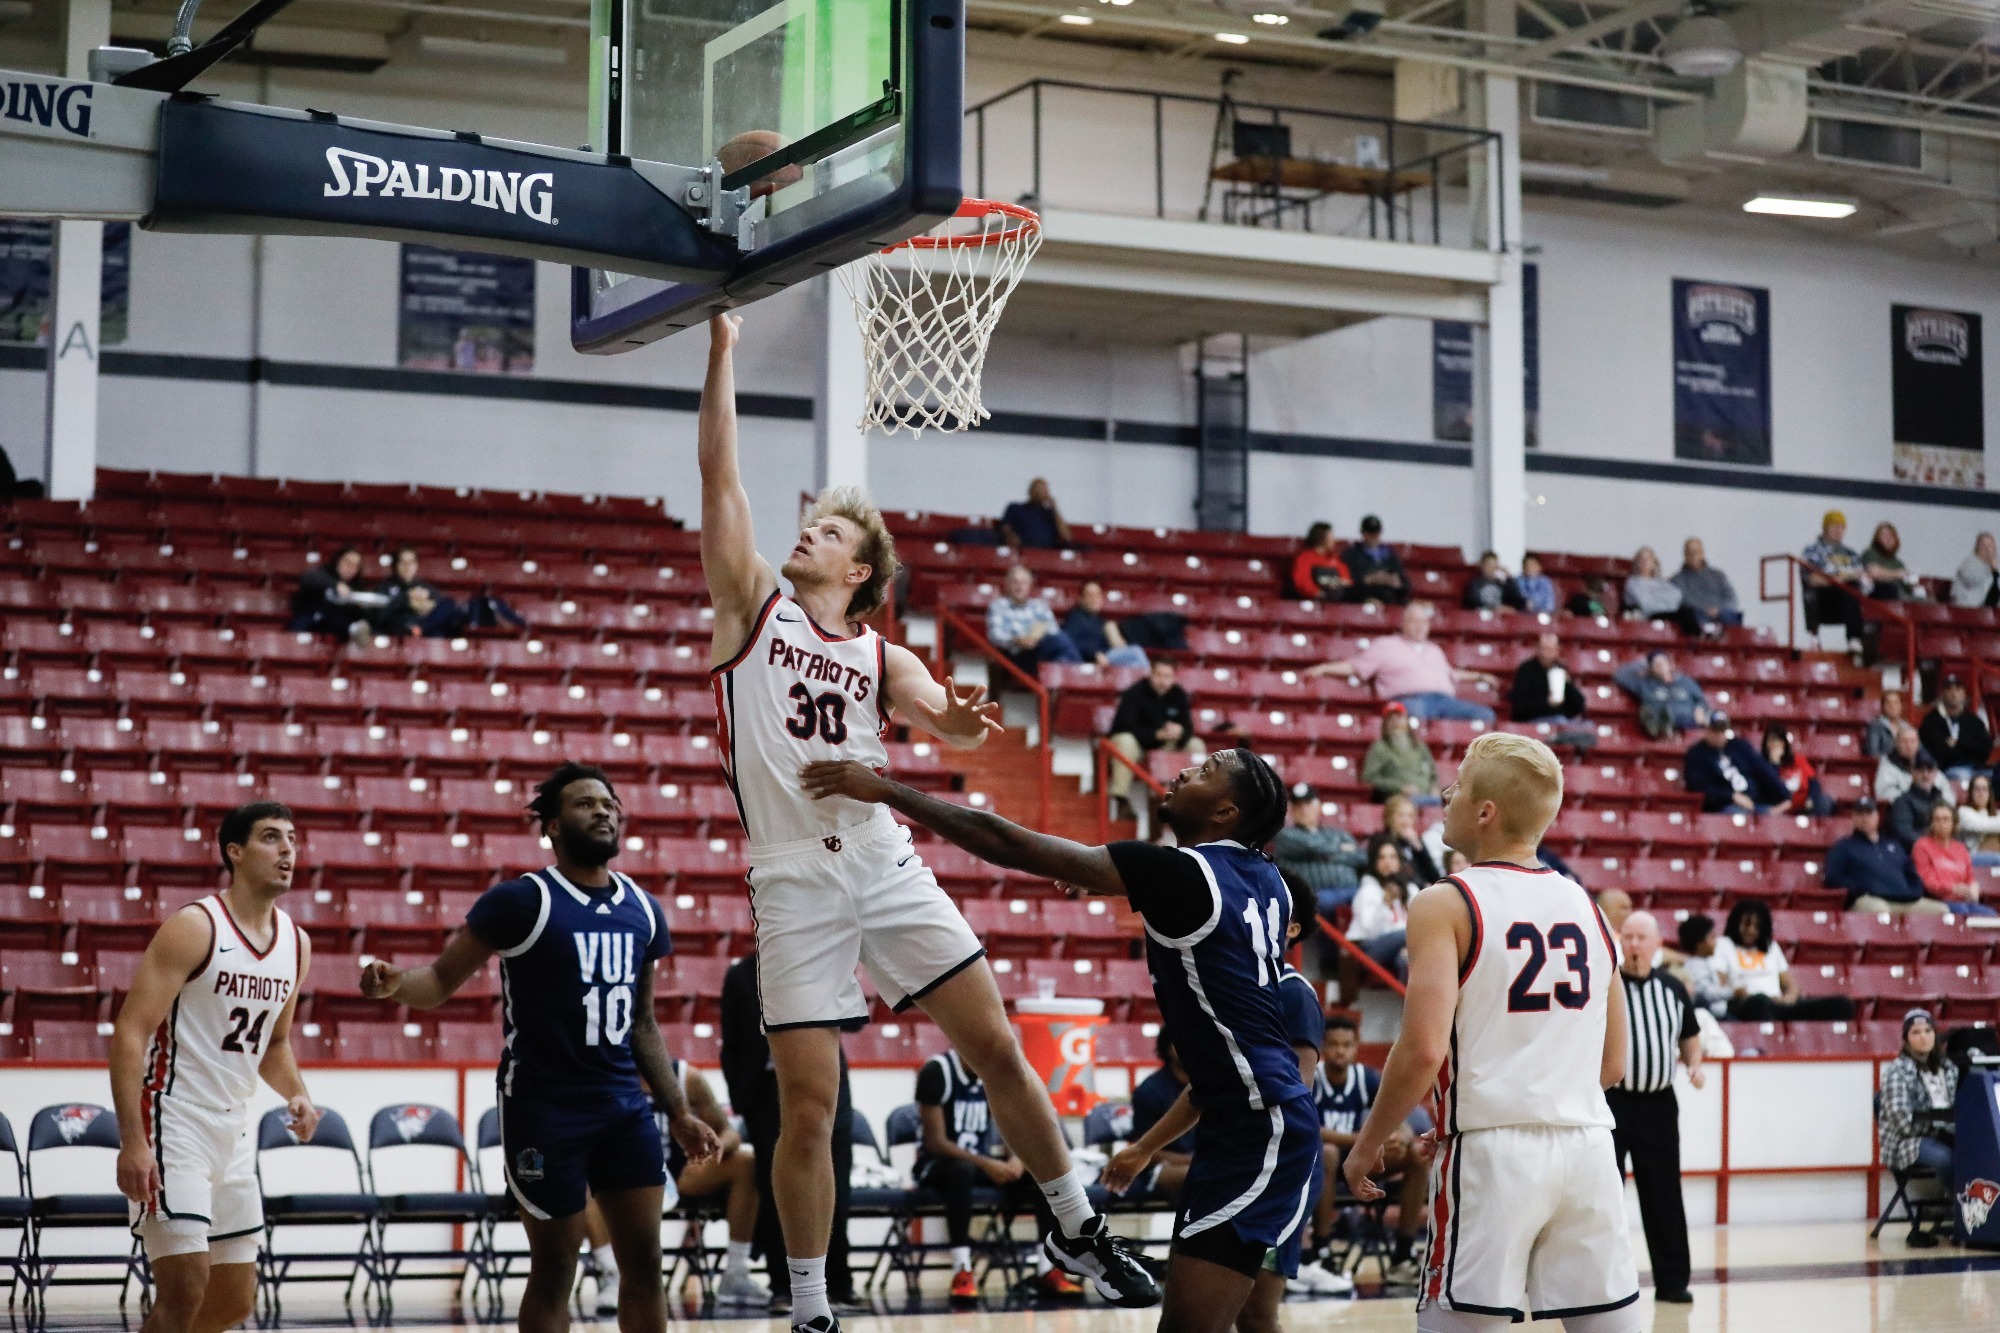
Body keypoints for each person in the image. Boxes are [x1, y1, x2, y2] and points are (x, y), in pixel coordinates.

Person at [697, 314, 1153, 1331]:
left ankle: (1077, 1224)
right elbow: (720, 484)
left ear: (859, 571)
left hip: (880, 858)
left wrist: (952, 714)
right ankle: (810, 1302)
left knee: (995, 1047)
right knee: (808, 1105)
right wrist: (723, 348)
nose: (804, 528)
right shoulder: (750, 613)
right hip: (790, 877)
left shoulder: (874, 652)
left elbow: (930, 701)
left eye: (826, 530)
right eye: (807, 521)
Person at [799, 747, 1308, 1333]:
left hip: (1259, 1124)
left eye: (1207, 770)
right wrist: (1117, 884)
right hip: (1244, 1117)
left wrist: (888, 792)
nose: (1183, 770)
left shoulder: (1183, 874)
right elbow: (1203, 923)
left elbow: (1008, 843)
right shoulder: (1267, 879)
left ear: (1224, 812)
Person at [359, 764, 720, 1333]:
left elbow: (644, 1025)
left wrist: (679, 1112)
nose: (603, 810)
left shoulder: (644, 910)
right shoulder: (520, 901)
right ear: (551, 827)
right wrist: (395, 982)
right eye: (584, 804)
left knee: (645, 1265)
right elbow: (438, 980)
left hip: (624, 1106)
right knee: (556, 1265)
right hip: (543, 1107)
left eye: (609, 802)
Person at [1342, 732, 1641, 1329]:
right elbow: (1613, 1067)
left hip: (1492, 1157)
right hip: (1587, 1149)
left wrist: (1369, 1143)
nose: (1445, 796)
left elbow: (1424, 1047)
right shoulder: (1590, 907)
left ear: (1485, 813)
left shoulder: (1444, 901)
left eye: (1456, 786)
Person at [110, 802, 318, 1333]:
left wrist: (297, 1093)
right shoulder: (195, 926)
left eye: (292, 839)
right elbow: (130, 1032)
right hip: (173, 1118)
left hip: (235, 1126)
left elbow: (274, 1043)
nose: (288, 850)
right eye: (272, 838)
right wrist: (132, 1140)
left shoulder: (295, 943)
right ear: (236, 852)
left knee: (232, 1303)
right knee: (184, 1288)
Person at [1103, 875, 1354, 1306]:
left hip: (1274, 1167)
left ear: (1290, 928)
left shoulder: (1292, 992)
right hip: (1225, 1163)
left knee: (1254, 1314)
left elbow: (1292, 1088)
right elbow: (1212, 1085)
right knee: (1189, 1311)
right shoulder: (1233, 989)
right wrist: (1144, 1147)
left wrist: (1146, 1147)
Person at [719, 955, 857, 1315]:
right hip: (767, 1095)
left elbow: (855, 1019)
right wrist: (742, 1101)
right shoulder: (740, 975)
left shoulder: (822, 959)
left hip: (826, 1089)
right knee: (773, 1190)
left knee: (837, 1186)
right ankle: (784, 1286)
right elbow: (731, 1043)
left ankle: (840, 1285)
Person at [913, 1049, 1082, 1304]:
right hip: (936, 1165)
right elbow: (935, 1142)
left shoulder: (991, 1071)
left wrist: (1016, 1158)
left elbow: (1008, 1125)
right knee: (961, 1171)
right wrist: (987, 1164)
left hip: (977, 1164)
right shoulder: (937, 1071)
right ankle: (962, 1269)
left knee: (1039, 1170)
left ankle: (1048, 1268)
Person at [1608, 912, 1701, 1306]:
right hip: (1612, 1103)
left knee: (1663, 1194)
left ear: (1657, 943)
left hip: (1660, 1106)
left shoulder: (1673, 988)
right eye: (1627, 937)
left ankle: (1672, 1282)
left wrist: (1694, 1063)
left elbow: (1690, 1036)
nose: (1633, 945)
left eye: (1641, 937)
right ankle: (1603, 1283)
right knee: (1604, 1195)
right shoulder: (1606, 987)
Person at [1310, 1016, 1429, 1286]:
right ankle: (1321, 1251)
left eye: (1347, 1044)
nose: (1340, 1050)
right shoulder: (1312, 1078)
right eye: (1334, 1044)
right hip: (1318, 1166)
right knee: (1327, 1152)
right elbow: (1309, 1129)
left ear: (1356, 1047)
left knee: (1415, 1157)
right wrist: (1360, 1141)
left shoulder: (1365, 1078)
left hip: (1359, 1162)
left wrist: (1403, 1136)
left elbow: (1398, 1114)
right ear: (1322, 1047)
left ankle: (1403, 1254)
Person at [1306, 601, 1498, 724]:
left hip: (1444, 701)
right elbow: (1355, 666)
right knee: (1412, 714)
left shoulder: (1434, 649)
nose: (1419, 626)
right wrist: (1324, 668)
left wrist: (1480, 676)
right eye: (1414, 621)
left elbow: (1452, 674)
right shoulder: (1386, 645)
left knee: (1486, 716)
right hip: (1410, 700)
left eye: (1423, 622)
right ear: (1404, 623)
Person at [1878, 1010, 1959, 1249]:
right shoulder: (1897, 1072)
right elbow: (1902, 1124)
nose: (1923, 1037)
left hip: (1943, 1135)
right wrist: (1938, 1124)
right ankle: (1962, 1212)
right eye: (1915, 1032)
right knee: (1946, 1157)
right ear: (1906, 1039)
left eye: (1928, 1031)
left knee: (1979, 1151)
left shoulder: (1949, 1068)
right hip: (1905, 1142)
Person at [1713, 900, 1855, 1021]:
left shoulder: (1771, 947)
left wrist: (1787, 1000)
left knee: (1842, 1004)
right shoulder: (1723, 944)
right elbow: (1721, 984)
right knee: (1760, 1001)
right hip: (1745, 1005)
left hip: (1777, 1005)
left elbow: (1791, 984)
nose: (1751, 930)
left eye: (1756, 926)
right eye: (1746, 924)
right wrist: (1737, 993)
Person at [1107, 658, 1206, 817]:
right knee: (1125, 741)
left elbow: (1189, 728)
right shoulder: (1134, 692)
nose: (1163, 680)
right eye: (1159, 675)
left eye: (1167, 676)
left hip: (1166, 745)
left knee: (1195, 744)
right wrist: (1155, 734)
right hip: (1139, 745)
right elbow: (1123, 726)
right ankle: (1120, 798)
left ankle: (1196, 798)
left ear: (1174, 678)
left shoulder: (1179, 694)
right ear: (1150, 674)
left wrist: (1179, 731)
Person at [1825, 796, 1948, 917]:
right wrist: (1860, 889)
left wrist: (1913, 893)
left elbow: (1912, 874)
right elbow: (1833, 876)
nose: (1865, 818)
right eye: (1860, 814)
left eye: (1869, 813)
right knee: (1880, 912)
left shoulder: (1893, 845)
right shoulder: (1844, 846)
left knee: (1942, 910)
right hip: (1872, 900)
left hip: (1905, 900)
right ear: (1853, 818)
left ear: (1877, 817)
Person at [1271, 784, 1367, 915]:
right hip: (1316, 893)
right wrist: (1341, 850)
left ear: (1318, 807)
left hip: (1353, 889)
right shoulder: (1286, 835)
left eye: (1308, 804)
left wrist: (1324, 854)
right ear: (1292, 810)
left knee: (1371, 898)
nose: (1304, 810)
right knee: (1320, 903)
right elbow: (1311, 848)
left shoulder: (1338, 833)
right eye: (1298, 806)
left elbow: (1361, 857)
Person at [1126, 1034, 1198, 1206]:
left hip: (1207, 1161)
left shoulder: (1213, 1084)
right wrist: (1196, 1160)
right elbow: (1148, 1153)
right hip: (1162, 1167)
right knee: (1202, 1174)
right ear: (1168, 1047)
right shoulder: (1149, 1091)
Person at [988, 564, 1082, 678]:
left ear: (1030, 586)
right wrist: (1016, 640)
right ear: (1007, 585)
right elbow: (994, 635)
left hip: (1043, 650)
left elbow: (1053, 631)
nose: (1019, 586)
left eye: (1024, 582)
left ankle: (1063, 684)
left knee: (1061, 653)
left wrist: (1036, 638)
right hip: (1018, 655)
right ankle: (1080, 677)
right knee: (1063, 642)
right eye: (1015, 582)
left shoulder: (1039, 606)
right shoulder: (998, 606)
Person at [1684, 713, 1788, 814]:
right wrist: (1731, 796)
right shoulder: (1696, 754)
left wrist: (1786, 798)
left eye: (1723, 730)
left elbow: (1763, 771)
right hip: (1724, 806)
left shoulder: (1740, 746)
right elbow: (1699, 787)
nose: (1720, 735)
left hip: (1757, 802)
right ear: (1706, 730)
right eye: (1715, 730)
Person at [1912, 803, 1998, 916]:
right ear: (1931, 823)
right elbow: (1927, 881)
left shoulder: (1960, 848)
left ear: (1954, 823)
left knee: (1991, 914)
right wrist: (1953, 889)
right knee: (1962, 911)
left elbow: (1970, 877)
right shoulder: (1922, 846)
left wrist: (1973, 887)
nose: (1941, 823)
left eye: (1945, 819)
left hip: (1964, 901)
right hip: (1938, 901)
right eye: (1937, 819)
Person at [1801, 511, 1869, 643]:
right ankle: (1815, 638)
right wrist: (1840, 579)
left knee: (1854, 589)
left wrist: (1845, 578)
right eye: (1834, 526)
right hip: (1825, 598)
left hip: (1848, 598)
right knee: (1850, 587)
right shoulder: (1812, 550)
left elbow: (1862, 577)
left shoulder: (1851, 554)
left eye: (1841, 527)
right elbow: (1812, 579)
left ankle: (1855, 641)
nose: (1838, 530)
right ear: (1825, 527)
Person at [289, 546, 381, 642]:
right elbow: (306, 579)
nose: (351, 569)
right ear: (338, 560)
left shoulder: (356, 586)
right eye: (348, 563)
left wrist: (361, 607)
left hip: (339, 629)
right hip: (312, 621)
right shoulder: (322, 574)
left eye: (356, 566)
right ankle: (352, 628)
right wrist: (335, 584)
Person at [1349, 839, 1413, 976]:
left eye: (1392, 857)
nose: (1388, 862)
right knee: (1410, 932)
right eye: (1382, 857)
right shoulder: (1367, 891)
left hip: (1404, 945)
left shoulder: (1411, 889)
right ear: (1374, 863)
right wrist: (1385, 903)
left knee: (1404, 959)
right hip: (1370, 948)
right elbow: (1370, 930)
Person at [372, 545, 462, 639]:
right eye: (402, 562)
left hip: (422, 627)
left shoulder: (423, 587)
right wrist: (406, 598)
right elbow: (380, 616)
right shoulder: (384, 586)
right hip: (397, 628)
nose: (407, 567)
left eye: (411, 562)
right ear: (395, 564)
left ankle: (420, 629)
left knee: (449, 604)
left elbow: (441, 605)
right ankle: (417, 630)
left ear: (417, 565)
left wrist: (427, 604)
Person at [1918, 673, 1992, 786]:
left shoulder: (1973, 720)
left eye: (1957, 689)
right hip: (1948, 770)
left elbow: (1985, 750)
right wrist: (1969, 747)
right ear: (1942, 693)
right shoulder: (1931, 720)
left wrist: (1958, 742)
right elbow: (1940, 751)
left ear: (1963, 693)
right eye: (1949, 689)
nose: (1954, 693)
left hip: (1978, 768)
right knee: (1963, 777)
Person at [1612, 652, 1709, 737]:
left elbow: (1701, 699)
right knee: (1653, 714)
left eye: (1663, 663)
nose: (1660, 666)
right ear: (1650, 668)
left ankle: (1666, 729)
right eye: (1656, 664)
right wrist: (1642, 664)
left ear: (1670, 664)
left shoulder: (1685, 681)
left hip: (1687, 718)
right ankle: (1662, 730)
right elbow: (1620, 675)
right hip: (1659, 720)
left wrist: (1700, 707)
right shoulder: (1644, 683)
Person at [1363, 703, 1440, 805]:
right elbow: (1369, 778)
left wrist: (1434, 788)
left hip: (1428, 796)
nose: (1396, 723)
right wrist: (1400, 788)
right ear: (1385, 725)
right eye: (1391, 719)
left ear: (1407, 721)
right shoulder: (1380, 747)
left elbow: (1433, 775)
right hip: (1399, 799)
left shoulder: (1421, 747)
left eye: (1399, 718)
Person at [1063, 581, 1149, 670]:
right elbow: (1071, 640)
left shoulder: (1099, 619)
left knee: (1133, 664)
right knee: (1136, 652)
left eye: (1097, 595)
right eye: (1090, 595)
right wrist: (1094, 653)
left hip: (1106, 655)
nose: (1094, 599)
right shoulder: (1076, 617)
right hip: (1091, 658)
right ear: (1081, 598)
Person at [1509, 632, 1585, 724]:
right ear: (1537, 649)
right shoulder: (1526, 670)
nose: (1546, 653)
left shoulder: (1561, 670)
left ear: (1558, 650)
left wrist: (1569, 684)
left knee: (1587, 726)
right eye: (1544, 648)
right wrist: (1546, 703)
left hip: (1563, 718)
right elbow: (1519, 705)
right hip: (1535, 719)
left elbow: (1579, 705)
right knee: (1560, 721)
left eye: (1551, 649)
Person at [1671, 538, 1741, 636]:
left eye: (1696, 551)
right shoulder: (1677, 580)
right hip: (1697, 616)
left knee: (1733, 616)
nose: (1693, 555)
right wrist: (1705, 609)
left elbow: (1732, 599)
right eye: (1689, 552)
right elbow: (1679, 602)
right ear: (1685, 555)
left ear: (1702, 553)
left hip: (1722, 615)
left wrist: (1717, 610)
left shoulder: (1718, 575)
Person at [1761, 724, 1831, 817]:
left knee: (1825, 802)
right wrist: (1774, 765)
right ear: (1766, 743)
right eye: (1772, 741)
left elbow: (1813, 782)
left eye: (1779, 740)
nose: (1776, 745)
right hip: (1777, 809)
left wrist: (1811, 798)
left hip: (1802, 807)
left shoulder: (1798, 759)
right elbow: (1768, 790)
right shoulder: (1761, 763)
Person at [1889, 751, 1955, 848]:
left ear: (1936, 773)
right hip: (1919, 853)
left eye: (1929, 769)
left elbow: (1953, 829)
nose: (1925, 775)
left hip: (1944, 851)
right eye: (1920, 770)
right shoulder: (1903, 802)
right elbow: (1905, 834)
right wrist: (1933, 843)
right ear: (1912, 772)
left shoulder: (1941, 800)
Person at [1342, 515, 1412, 605]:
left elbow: (1404, 583)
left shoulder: (1390, 554)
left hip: (1390, 599)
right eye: (1370, 532)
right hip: (1363, 598)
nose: (1374, 536)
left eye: (1376, 532)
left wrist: (1395, 582)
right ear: (1363, 533)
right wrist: (1369, 579)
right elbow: (1348, 583)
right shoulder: (1352, 554)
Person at [1876, 725, 1949, 807]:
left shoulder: (1928, 764)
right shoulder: (1888, 765)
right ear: (1896, 743)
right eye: (1904, 741)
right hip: (1905, 809)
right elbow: (1885, 794)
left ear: (1918, 743)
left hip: (1934, 810)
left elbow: (1947, 794)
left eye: (1912, 741)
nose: (1909, 746)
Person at [1675, 915, 1730, 1018]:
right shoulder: (1695, 966)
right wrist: (1732, 992)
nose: (1716, 942)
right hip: (1711, 1015)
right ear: (1700, 944)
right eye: (1712, 937)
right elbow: (1705, 993)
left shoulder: (1707, 962)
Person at [1381, 792, 1442, 884]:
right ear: (1390, 818)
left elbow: (1434, 877)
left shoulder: (1416, 842)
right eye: (1400, 815)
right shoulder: (1382, 842)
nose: (1406, 821)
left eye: (1410, 816)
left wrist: (1419, 849)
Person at [998, 478, 1071, 550]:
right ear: (1030, 491)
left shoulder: (1050, 514)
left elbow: (1066, 537)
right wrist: (1011, 536)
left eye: (1044, 490)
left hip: (1048, 553)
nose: (1040, 493)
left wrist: (1055, 509)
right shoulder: (1015, 508)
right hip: (1024, 549)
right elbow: (1005, 527)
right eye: (1038, 489)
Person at [1622, 546, 1685, 628]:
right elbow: (1644, 602)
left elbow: (1676, 597)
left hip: (1670, 614)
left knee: (1689, 612)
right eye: (1641, 559)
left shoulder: (1662, 582)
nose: (1645, 562)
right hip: (1649, 617)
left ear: (1654, 563)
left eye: (1648, 559)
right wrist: (1663, 601)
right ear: (1636, 563)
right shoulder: (1632, 583)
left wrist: (1657, 600)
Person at [1290, 523, 1352, 602]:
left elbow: (1346, 581)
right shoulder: (1305, 558)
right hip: (1315, 601)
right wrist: (1318, 593)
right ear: (1322, 538)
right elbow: (1302, 582)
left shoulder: (1335, 559)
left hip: (1338, 600)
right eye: (1331, 536)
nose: (1334, 540)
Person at [1862, 522, 1923, 601]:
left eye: (1891, 535)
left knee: (1930, 601)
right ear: (1877, 539)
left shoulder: (1898, 563)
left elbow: (1908, 585)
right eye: (1884, 535)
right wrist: (1899, 573)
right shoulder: (1870, 553)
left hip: (1906, 599)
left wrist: (1914, 585)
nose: (1888, 538)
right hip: (1887, 598)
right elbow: (1873, 572)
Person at [1958, 773, 2000, 864]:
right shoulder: (1963, 812)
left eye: (1984, 789)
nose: (1981, 793)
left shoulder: (1997, 814)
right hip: (1974, 859)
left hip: (1995, 856)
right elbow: (1981, 826)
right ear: (1971, 793)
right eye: (1977, 789)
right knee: (1993, 837)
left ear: (1989, 793)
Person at [1951, 532, 2000, 610]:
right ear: (1977, 548)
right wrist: (1991, 570)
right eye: (1983, 546)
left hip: (1988, 612)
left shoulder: (1993, 566)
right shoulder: (1969, 564)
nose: (1987, 550)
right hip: (1968, 609)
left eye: (1990, 546)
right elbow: (1973, 580)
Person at [1864, 690, 1907, 759]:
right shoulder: (1874, 726)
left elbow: (1919, 750)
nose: (1892, 706)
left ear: (1901, 706)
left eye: (1896, 703)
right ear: (1882, 707)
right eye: (1888, 703)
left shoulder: (1906, 726)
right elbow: (1872, 753)